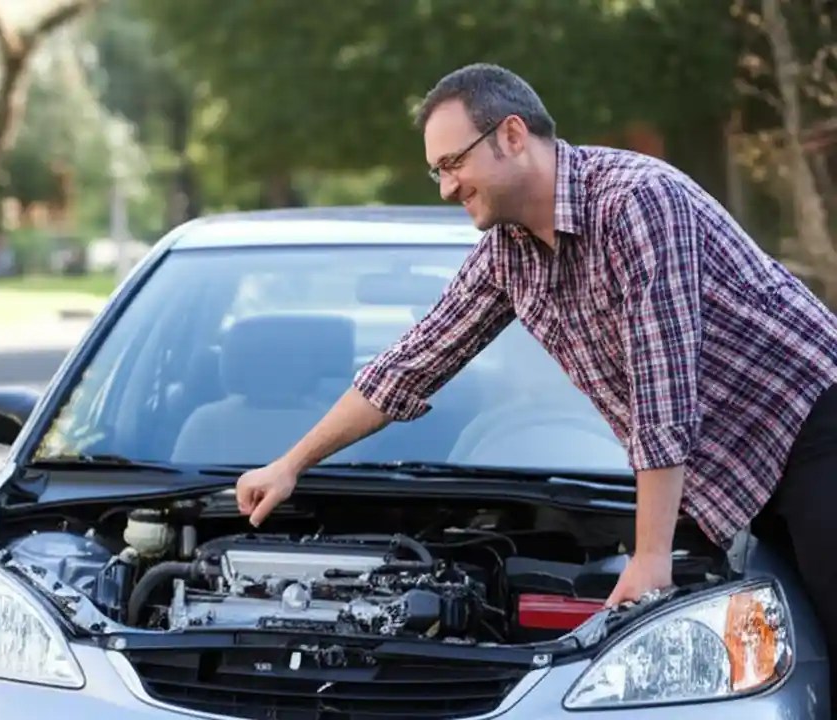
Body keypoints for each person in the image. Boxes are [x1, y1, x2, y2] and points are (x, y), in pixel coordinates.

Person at [234, 62, 837, 654]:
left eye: (453, 163)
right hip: (747, 473)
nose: (447, 187)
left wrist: (650, 557)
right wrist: (290, 464)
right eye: (436, 172)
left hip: (815, 430)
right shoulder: (510, 254)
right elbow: (411, 363)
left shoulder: (636, 202)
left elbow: (664, 388)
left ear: (512, 136)